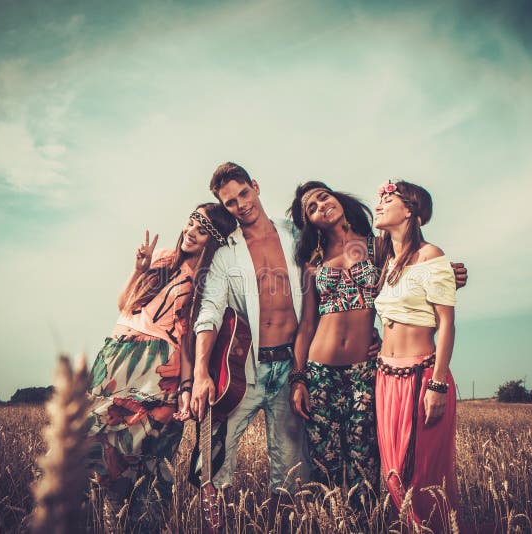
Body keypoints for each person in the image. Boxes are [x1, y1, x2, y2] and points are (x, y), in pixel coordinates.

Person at [86, 203, 236, 516]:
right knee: (92, 437)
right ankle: (103, 514)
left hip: (155, 364)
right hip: (116, 356)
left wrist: (184, 386)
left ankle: (130, 517)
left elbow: (186, 338)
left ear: (214, 241)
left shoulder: (203, 280)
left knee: (137, 448)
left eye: (203, 231)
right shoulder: (163, 256)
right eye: (192, 223)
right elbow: (124, 304)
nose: (191, 233)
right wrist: (139, 268)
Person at [190, 162, 314, 527]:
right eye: (230, 202)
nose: (241, 204)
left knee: (291, 472)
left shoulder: (294, 233)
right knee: (212, 462)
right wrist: (200, 372)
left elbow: (346, 259)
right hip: (244, 371)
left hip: (292, 367)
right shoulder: (226, 251)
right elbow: (210, 310)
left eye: (244, 193)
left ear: (255, 187)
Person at [287, 181, 382, 507]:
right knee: (326, 463)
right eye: (310, 208)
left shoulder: (376, 246)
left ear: (337, 198)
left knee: (364, 460)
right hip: (320, 372)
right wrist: (299, 379)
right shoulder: (313, 261)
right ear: (310, 222)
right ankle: (333, 524)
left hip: (363, 372)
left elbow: (409, 283)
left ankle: (368, 525)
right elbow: (307, 325)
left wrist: (445, 273)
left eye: (322, 197)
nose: (320, 206)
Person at [373, 180, 460, 531]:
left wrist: (437, 383)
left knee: (422, 477)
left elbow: (448, 325)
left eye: (387, 199)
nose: (379, 204)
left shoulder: (432, 256)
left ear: (410, 210)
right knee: (393, 473)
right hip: (385, 378)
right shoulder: (386, 260)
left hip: (422, 376)